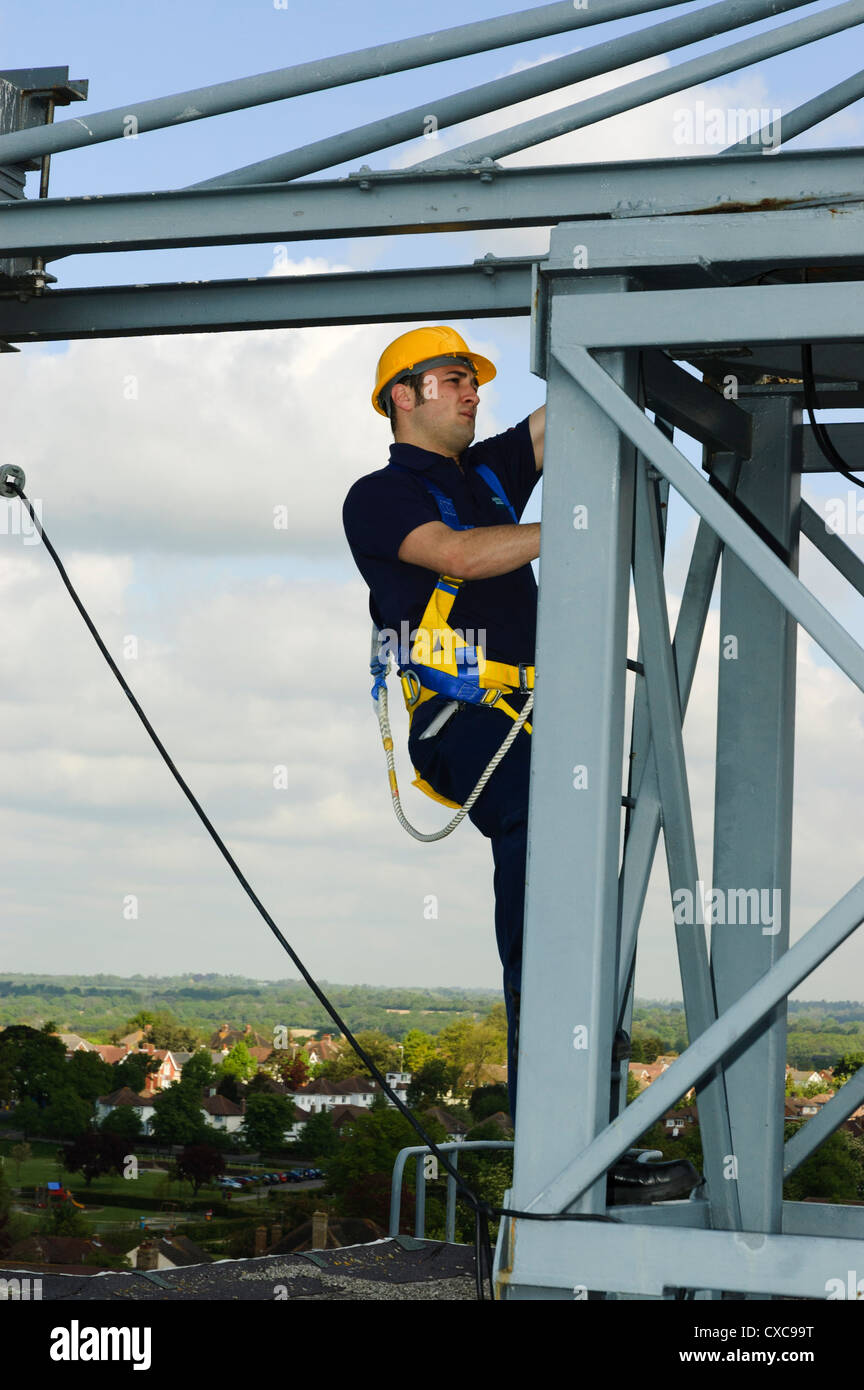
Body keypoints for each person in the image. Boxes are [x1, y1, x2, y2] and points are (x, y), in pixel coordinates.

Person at [342, 326, 543, 1120]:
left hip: (531, 713)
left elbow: (564, 417)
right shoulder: (380, 495)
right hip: (464, 718)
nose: (473, 392)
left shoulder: (488, 473)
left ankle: (583, 1083)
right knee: (539, 841)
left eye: (474, 381)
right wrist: (588, 530)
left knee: (585, 862)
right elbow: (457, 557)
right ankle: (547, 1099)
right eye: (454, 378)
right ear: (403, 395)